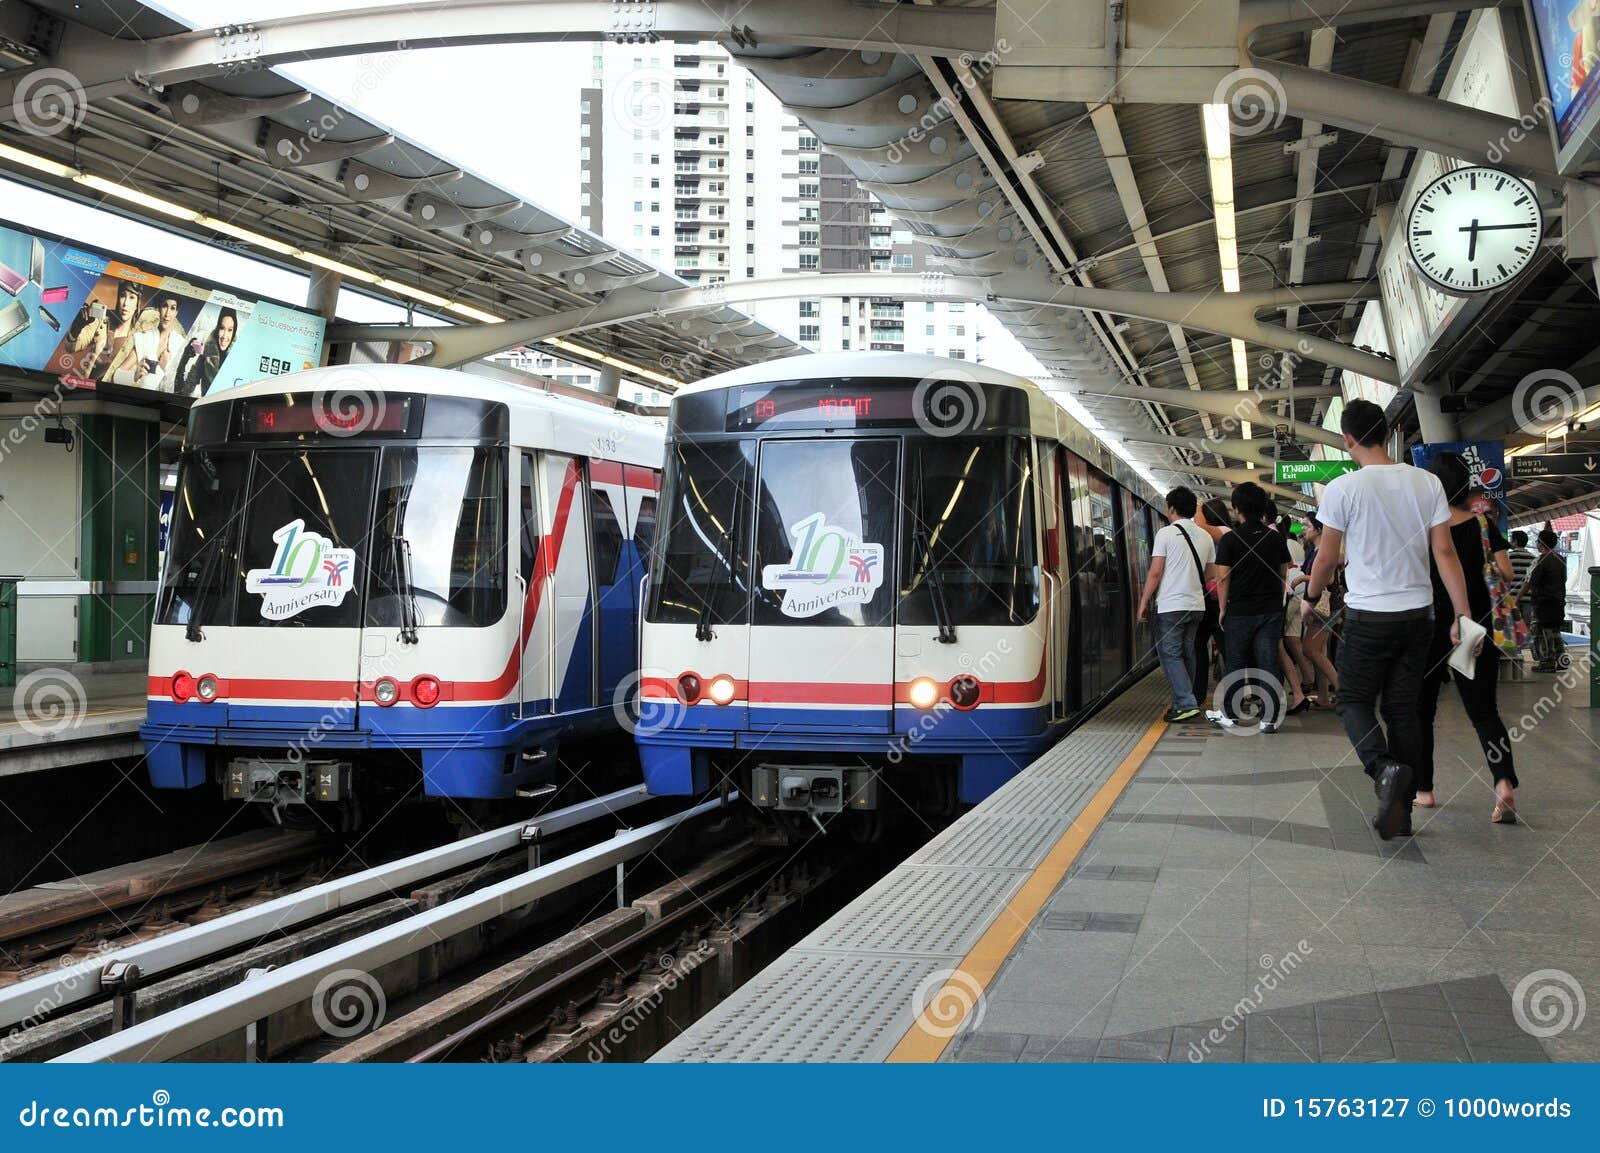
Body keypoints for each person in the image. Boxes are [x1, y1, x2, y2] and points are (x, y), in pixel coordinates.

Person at [1302, 399, 1472, 840]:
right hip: (1418, 616)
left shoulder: (1343, 488)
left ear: (1348, 440)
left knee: (1352, 701)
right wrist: (1463, 613)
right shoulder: (1427, 483)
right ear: (1387, 432)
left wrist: (1311, 597)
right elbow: (1444, 552)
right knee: (1402, 710)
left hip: (1369, 616)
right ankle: (1401, 814)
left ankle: (1382, 769)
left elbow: (1326, 558)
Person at [1414, 453, 1519, 823]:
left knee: (1422, 709)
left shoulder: (1425, 527)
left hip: (1430, 625)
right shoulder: (1482, 524)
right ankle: (1503, 782)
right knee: (1484, 711)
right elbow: (1506, 572)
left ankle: (1424, 790)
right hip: (1474, 624)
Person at [1209, 481, 1293, 732]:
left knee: (1236, 662)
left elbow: (1223, 579)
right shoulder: (1275, 538)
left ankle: (1231, 715)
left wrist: (1222, 608)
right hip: (1270, 610)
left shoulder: (1230, 540)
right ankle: (1269, 719)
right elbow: (1283, 573)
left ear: (1237, 509)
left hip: (1240, 611)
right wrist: (1276, 601)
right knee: (1268, 660)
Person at [1137, 486, 1217, 723]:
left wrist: (1143, 602)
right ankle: (1183, 702)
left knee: (1170, 654)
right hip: (1197, 605)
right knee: (1187, 652)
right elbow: (1211, 573)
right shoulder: (1205, 536)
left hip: (1172, 606)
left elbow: (1155, 572)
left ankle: (1186, 703)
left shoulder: (1166, 534)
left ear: (1171, 508)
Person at [1292, 515, 1341, 706]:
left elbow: (1328, 579)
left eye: (1307, 525)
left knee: (1310, 649)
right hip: (1322, 607)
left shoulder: (1323, 551)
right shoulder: (1315, 550)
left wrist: (1302, 579)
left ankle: (1344, 693)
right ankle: (1323, 696)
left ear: (1319, 529)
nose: (1303, 528)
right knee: (1319, 651)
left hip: (1325, 607)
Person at [1192, 496, 1231, 704]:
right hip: (1210, 599)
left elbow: (1199, 526)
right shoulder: (1214, 535)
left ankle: (1230, 694)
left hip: (1219, 600)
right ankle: (1199, 694)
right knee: (1201, 646)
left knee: (1221, 648)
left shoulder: (1224, 532)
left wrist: (1198, 506)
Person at [1526, 529, 1568, 672]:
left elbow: (1532, 582)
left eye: (1537, 541)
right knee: (1555, 631)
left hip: (1542, 602)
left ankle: (1547, 663)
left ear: (1541, 543)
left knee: (1542, 632)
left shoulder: (1541, 560)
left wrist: (1518, 597)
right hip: (1558, 601)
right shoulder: (1561, 559)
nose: (1536, 543)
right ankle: (1562, 661)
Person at [175, 307, 239, 397]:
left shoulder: (239, 356)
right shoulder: (206, 354)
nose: (224, 336)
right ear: (218, 329)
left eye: (230, 330)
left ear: (234, 331)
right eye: (222, 328)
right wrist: (184, 359)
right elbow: (184, 392)